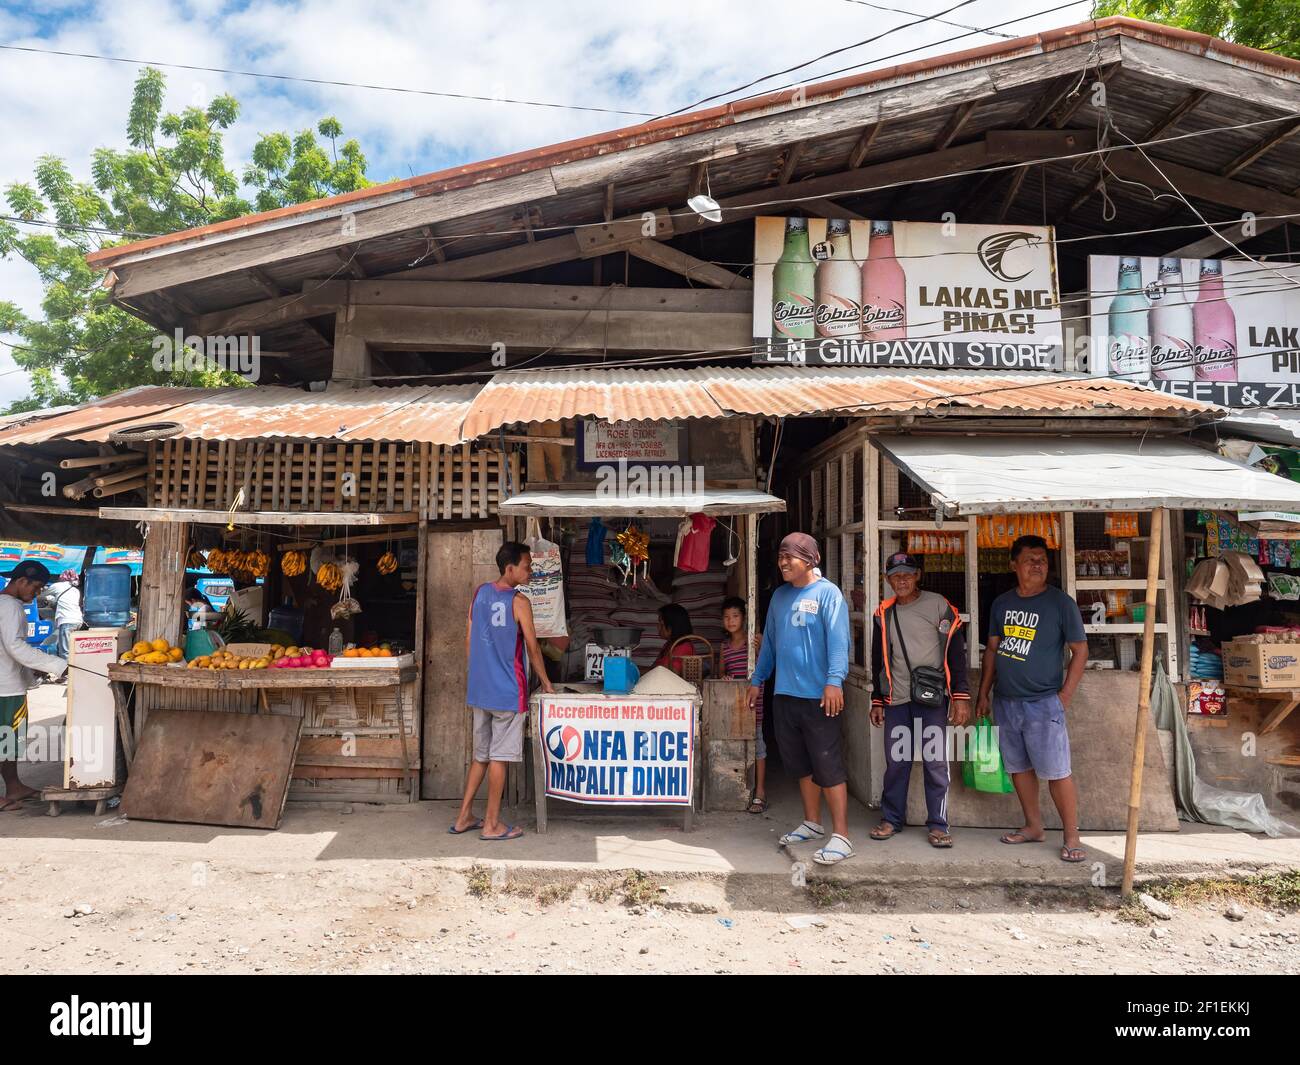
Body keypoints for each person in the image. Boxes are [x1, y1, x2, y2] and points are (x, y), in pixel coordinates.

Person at [976, 534, 1089, 863]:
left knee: (1057, 771)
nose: (1037, 565)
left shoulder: (1060, 603)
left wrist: (1064, 696)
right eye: (1030, 559)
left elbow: (1080, 651)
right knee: (1019, 768)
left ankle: (1071, 835)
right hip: (1007, 701)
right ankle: (1033, 827)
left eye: (1042, 559)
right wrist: (984, 693)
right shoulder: (1002, 604)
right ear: (1014, 565)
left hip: (1044, 703)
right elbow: (993, 651)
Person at [749, 532, 852, 865]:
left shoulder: (828, 594)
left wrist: (834, 682)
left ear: (808, 559)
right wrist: (757, 679)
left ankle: (842, 835)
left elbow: (839, 643)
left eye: (788, 557)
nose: (782, 563)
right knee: (801, 763)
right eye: (779, 557)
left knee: (828, 764)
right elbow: (770, 646)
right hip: (785, 695)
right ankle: (812, 823)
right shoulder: (779, 597)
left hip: (820, 696)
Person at [451, 541, 552, 841]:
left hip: (481, 691)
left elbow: (469, 641)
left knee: (481, 756)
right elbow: (533, 648)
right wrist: (546, 683)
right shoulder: (519, 602)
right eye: (526, 566)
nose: (530, 571)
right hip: (508, 692)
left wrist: (480, 675)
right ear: (509, 569)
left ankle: (463, 817)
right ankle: (491, 824)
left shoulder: (480, 593)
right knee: (499, 758)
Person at [869, 552, 969, 847]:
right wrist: (877, 699)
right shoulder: (883, 613)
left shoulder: (939, 605)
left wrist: (960, 695)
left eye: (907, 574)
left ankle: (938, 825)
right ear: (887, 580)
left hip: (932, 698)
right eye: (895, 576)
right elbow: (878, 659)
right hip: (897, 698)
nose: (901, 580)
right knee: (896, 761)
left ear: (918, 576)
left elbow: (955, 651)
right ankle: (891, 819)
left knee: (935, 762)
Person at [0, 561, 68, 811]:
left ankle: (14, 786)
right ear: (21, 582)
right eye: (36, 587)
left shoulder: (6, 604)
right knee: (4, 739)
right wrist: (58, 664)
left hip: (9, 682)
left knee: (9, 741)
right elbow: (15, 647)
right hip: (4, 687)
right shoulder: (10, 607)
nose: (37, 593)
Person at [721, 596, 766, 814]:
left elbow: (766, 664)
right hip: (734, 703)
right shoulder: (725, 648)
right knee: (737, 744)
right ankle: (737, 789)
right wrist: (726, 679)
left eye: (735, 616)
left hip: (753, 701)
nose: (731, 621)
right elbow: (722, 674)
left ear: (744, 618)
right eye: (727, 617)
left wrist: (762, 646)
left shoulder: (754, 642)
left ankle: (760, 792)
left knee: (758, 745)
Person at [651, 603, 709, 676]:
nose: (658, 626)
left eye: (661, 622)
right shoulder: (668, 645)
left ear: (671, 626)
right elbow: (653, 668)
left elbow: (671, 674)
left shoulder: (684, 646)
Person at [44, 569, 84, 660]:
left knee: (65, 651)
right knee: (71, 649)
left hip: (67, 621)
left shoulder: (58, 586)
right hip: (78, 621)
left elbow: (41, 595)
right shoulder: (75, 590)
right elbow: (64, 601)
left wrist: (48, 598)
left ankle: (67, 673)